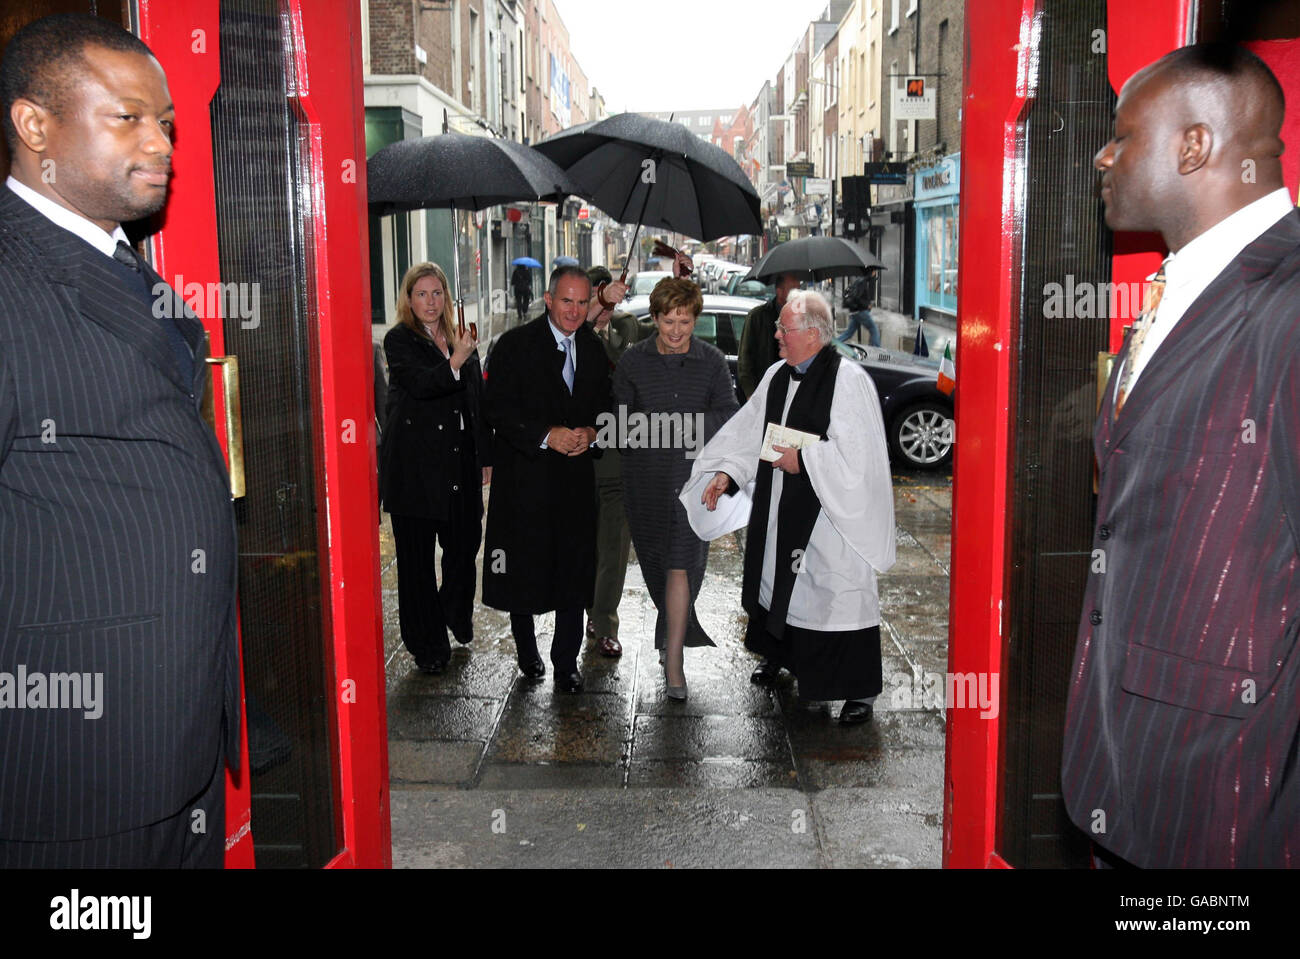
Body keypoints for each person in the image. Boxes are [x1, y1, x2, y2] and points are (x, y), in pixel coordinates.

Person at [0, 14, 237, 867]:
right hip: (71, 774)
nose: (162, 141)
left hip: (178, 743)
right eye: (129, 117)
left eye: (166, 121)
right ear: (35, 128)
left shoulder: (126, 261)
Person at [1062, 43, 1300, 868]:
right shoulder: (1180, 291)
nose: (1102, 155)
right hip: (1130, 779)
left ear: (1193, 147)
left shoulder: (1289, 305)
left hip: (1232, 804)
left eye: (1122, 136)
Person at [688, 290, 895, 723]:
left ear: (814, 336)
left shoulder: (849, 381)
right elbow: (747, 432)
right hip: (782, 508)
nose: (777, 334)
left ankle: (857, 691)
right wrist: (728, 472)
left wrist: (802, 459)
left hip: (831, 519)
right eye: (779, 326)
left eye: (785, 328)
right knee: (783, 587)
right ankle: (789, 662)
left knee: (834, 597)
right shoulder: (777, 375)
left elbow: (858, 460)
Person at [482, 265, 612, 692]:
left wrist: (593, 433)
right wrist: (544, 435)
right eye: (567, 301)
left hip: (574, 486)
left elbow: (608, 411)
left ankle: (566, 663)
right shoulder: (514, 346)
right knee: (523, 570)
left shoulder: (594, 349)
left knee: (574, 574)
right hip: (525, 483)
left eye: (582, 302)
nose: (575, 311)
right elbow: (497, 410)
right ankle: (526, 649)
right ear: (548, 300)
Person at [613, 277, 738, 698]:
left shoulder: (713, 361)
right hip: (645, 480)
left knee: (683, 564)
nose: (677, 331)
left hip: (695, 483)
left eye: (685, 322)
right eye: (669, 321)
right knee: (655, 564)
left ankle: (675, 663)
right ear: (654, 319)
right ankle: (671, 636)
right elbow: (620, 422)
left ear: (695, 320)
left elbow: (728, 414)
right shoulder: (632, 362)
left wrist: (687, 428)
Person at [380, 262, 491, 674]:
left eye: (437, 293)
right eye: (422, 294)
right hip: (414, 467)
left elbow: (476, 399)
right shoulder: (398, 340)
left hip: (458, 462)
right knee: (416, 562)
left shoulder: (461, 335)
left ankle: (453, 613)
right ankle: (427, 644)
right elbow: (425, 385)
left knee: (465, 545)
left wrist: (485, 456)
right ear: (409, 300)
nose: (430, 302)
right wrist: (456, 360)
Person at [583, 264, 635, 656]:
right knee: (583, 546)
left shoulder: (628, 329)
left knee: (613, 545)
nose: (608, 303)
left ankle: (604, 623)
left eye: (611, 293)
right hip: (576, 462)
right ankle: (582, 610)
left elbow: (669, 336)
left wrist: (680, 284)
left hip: (617, 460)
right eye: (599, 295)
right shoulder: (571, 334)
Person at [736, 271, 799, 401]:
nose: (797, 294)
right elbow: (745, 360)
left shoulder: (801, 317)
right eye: (793, 289)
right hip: (763, 393)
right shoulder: (757, 317)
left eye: (799, 289)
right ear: (780, 291)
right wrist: (751, 394)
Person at [836, 271, 881, 347]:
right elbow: (857, 298)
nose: (874, 273)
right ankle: (877, 349)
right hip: (861, 311)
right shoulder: (862, 282)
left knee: (849, 333)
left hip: (855, 312)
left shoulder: (859, 280)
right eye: (873, 271)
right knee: (874, 329)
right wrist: (867, 306)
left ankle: (833, 344)